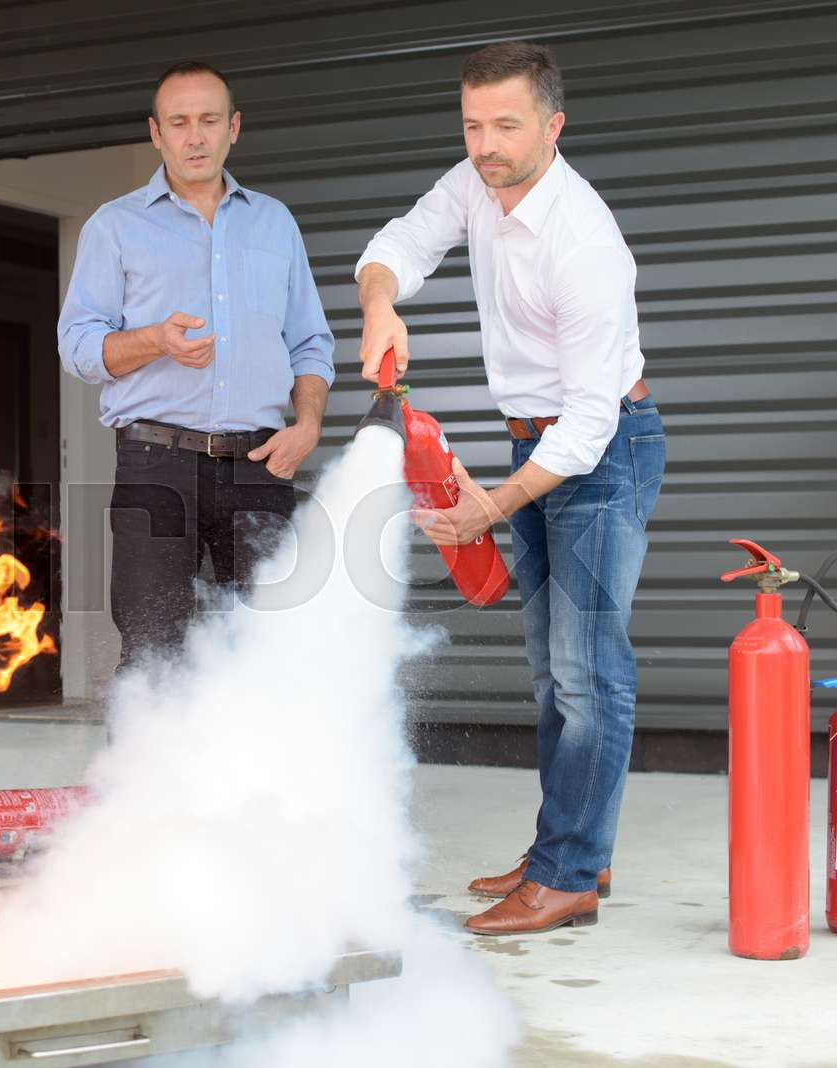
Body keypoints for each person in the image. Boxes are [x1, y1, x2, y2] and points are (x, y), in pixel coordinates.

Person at [356, 41, 665, 935]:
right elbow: (398, 245)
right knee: (550, 673)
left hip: (602, 454)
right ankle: (569, 851)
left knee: (589, 673)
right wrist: (383, 305)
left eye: (506, 125)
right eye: (472, 124)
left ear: (553, 126)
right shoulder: (476, 182)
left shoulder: (585, 242)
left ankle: (567, 875)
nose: (485, 143)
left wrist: (489, 506)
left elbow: (589, 425)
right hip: (538, 442)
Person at [58, 60, 334, 671]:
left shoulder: (274, 223)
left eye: (209, 120)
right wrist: (155, 340)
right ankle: (149, 770)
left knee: (274, 647)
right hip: (154, 463)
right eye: (179, 122)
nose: (195, 136)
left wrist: (308, 426)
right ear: (155, 133)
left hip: (262, 464)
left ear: (233, 127)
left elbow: (311, 343)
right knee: (153, 649)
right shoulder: (115, 226)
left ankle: (261, 771)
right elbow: (77, 347)